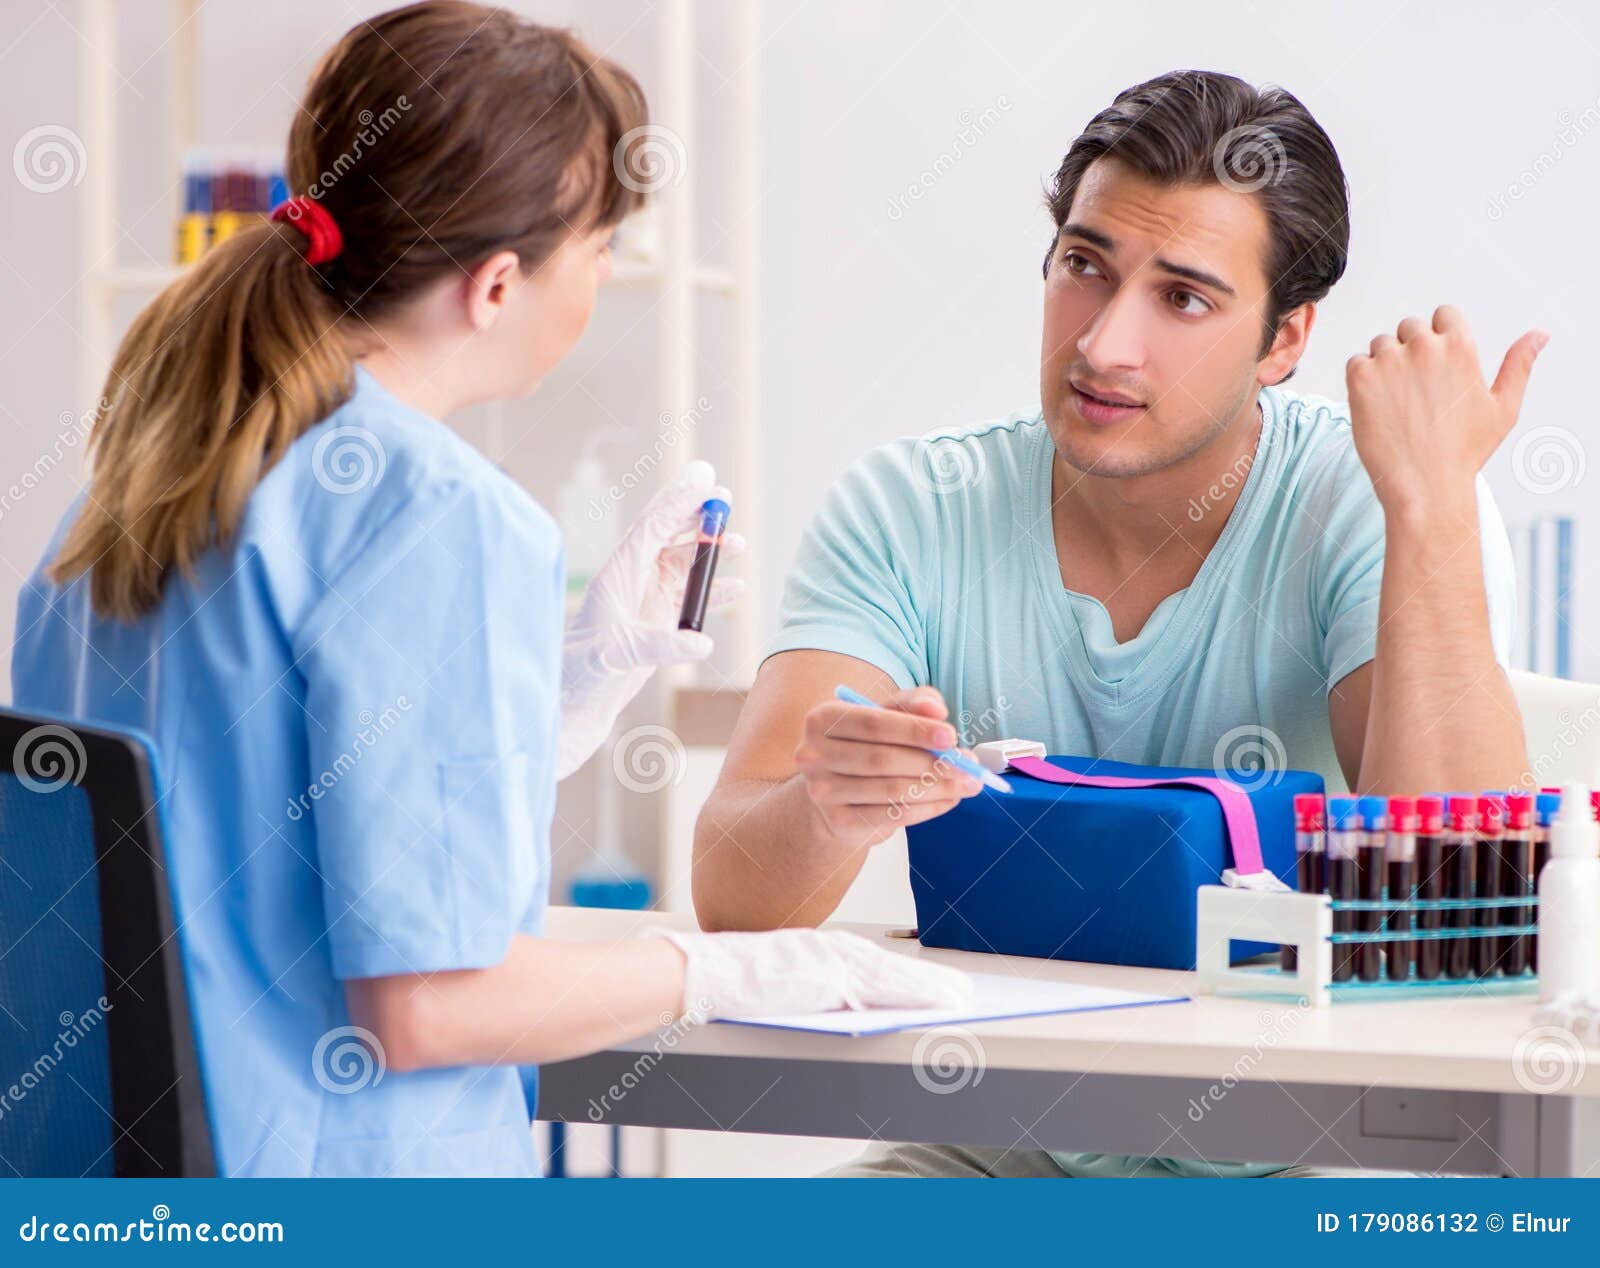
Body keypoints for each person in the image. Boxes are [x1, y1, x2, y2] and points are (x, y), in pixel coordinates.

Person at [10, 1, 968, 1178]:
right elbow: (430, 1005)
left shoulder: (133, 493)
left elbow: (265, 807)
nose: (604, 272)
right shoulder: (437, 513)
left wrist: (573, 683)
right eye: (600, 245)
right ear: (499, 284)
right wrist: (725, 966)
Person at [693, 70, 1537, 1178]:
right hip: (995, 1150)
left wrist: (1430, 509)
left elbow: (1454, 905)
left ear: (1283, 340)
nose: (1102, 345)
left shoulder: (1373, 499)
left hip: (1308, 1158)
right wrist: (827, 806)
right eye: (1085, 266)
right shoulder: (909, 507)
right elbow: (734, 908)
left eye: (1181, 298)